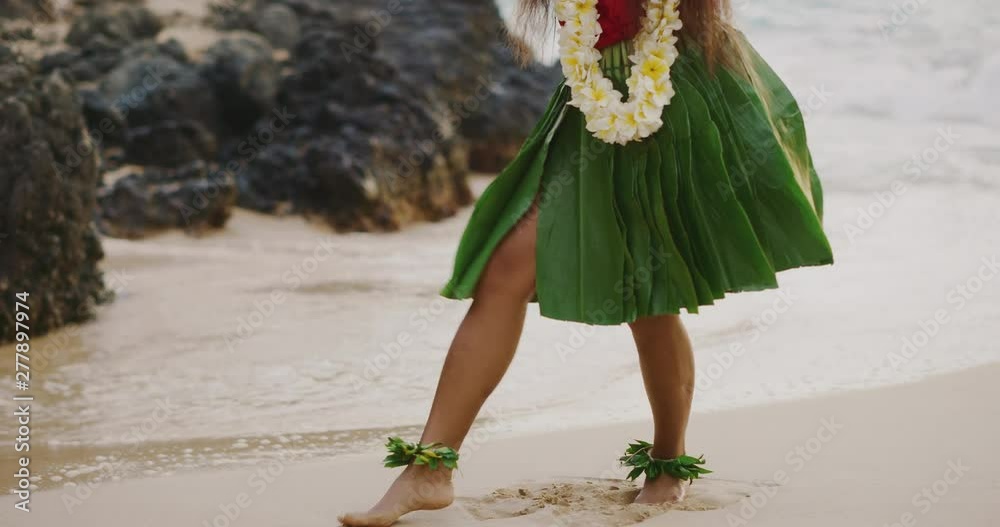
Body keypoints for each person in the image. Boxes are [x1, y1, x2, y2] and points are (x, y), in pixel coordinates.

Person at [340, 0, 833, 525]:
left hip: (674, 93)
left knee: (652, 295)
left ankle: (669, 464)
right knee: (505, 270)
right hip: (593, 94)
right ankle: (429, 471)